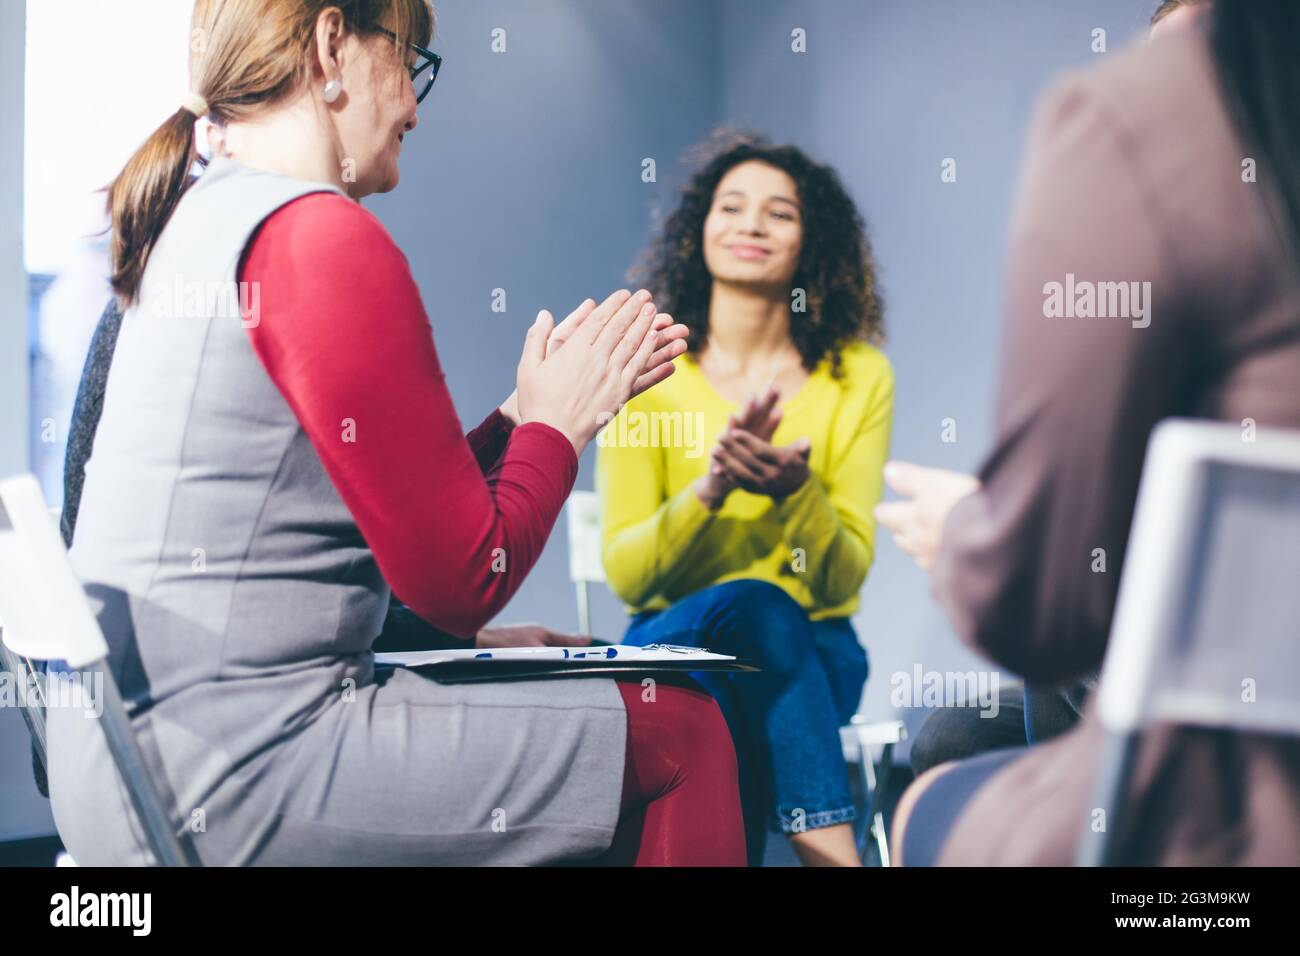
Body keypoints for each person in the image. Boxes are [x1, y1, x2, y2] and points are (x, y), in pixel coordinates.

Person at [44, 0, 746, 867]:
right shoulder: (318, 235)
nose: (414, 108)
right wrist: (562, 427)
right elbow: (466, 579)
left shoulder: (194, 223)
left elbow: (386, 515)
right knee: (681, 728)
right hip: (234, 775)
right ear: (332, 42)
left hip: (120, 770)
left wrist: (518, 421)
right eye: (411, 63)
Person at [886, 0, 1300, 865]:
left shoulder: (1144, 119)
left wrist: (958, 531)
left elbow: (1041, 608)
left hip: (1226, 774)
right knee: (952, 731)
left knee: (932, 790)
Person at [899, 0, 1212, 778]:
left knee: (1064, 636)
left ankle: (1094, 816)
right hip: (1139, 620)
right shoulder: (1126, 250)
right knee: (948, 740)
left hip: (1213, 647)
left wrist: (972, 539)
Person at [597, 131, 894, 866]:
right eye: (731, 206)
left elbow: (841, 580)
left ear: (810, 242)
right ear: (700, 230)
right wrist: (712, 490)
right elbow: (629, 577)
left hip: (817, 653)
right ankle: (835, 854)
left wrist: (797, 494)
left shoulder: (860, 377)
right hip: (674, 642)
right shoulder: (648, 370)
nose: (751, 224)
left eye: (779, 213)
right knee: (750, 620)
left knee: (752, 654)